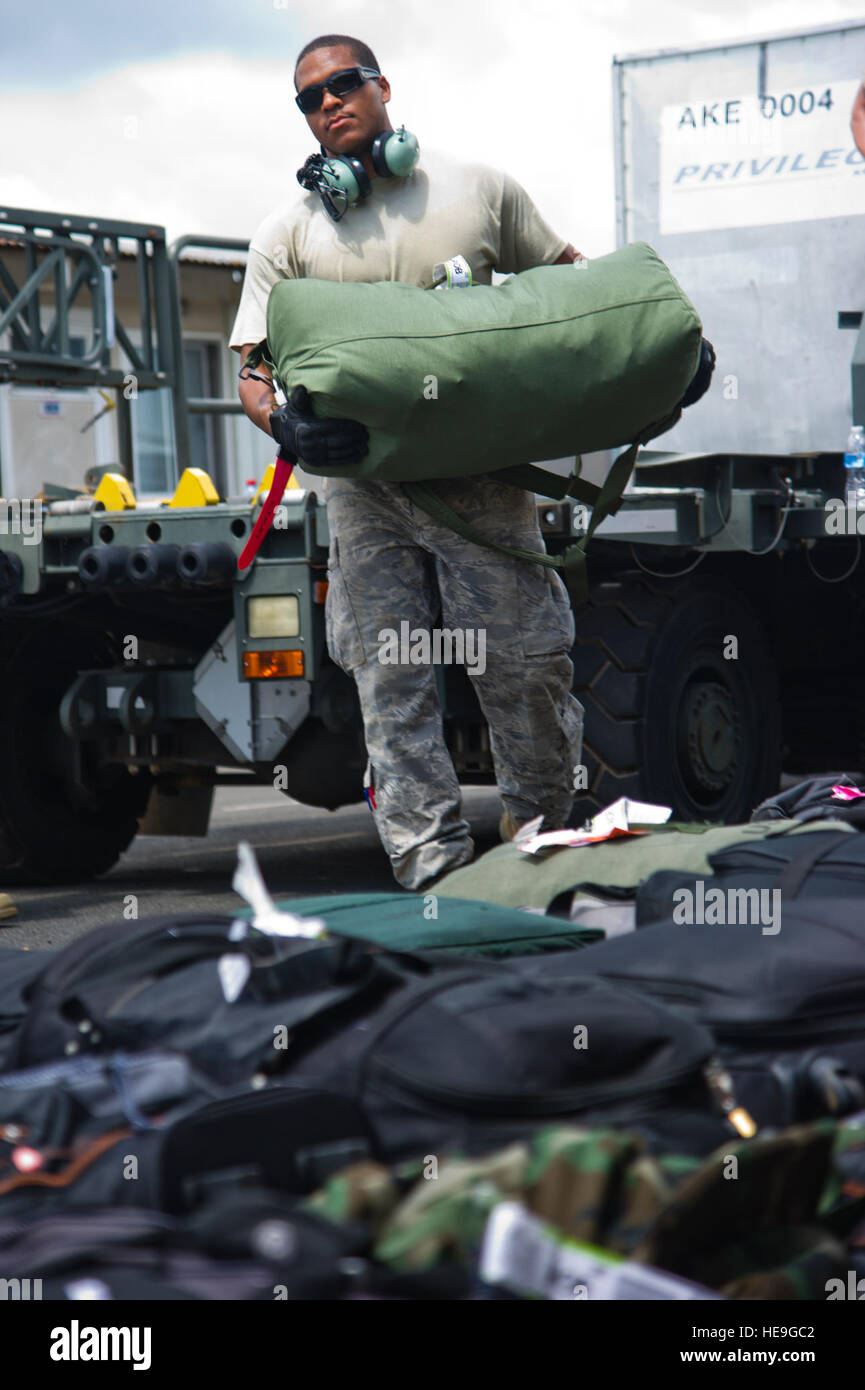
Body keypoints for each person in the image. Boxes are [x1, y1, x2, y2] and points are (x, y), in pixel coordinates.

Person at [231, 33, 586, 891]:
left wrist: (660, 351)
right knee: (391, 681)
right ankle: (430, 871)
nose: (327, 105)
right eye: (309, 99)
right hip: (364, 493)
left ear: (382, 87)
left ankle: (541, 835)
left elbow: (573, 286)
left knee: (525, 664)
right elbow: (251, 366)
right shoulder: (289, 233)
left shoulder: (477, 191)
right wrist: (286, 427)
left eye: (342, 85)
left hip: (484, 479)